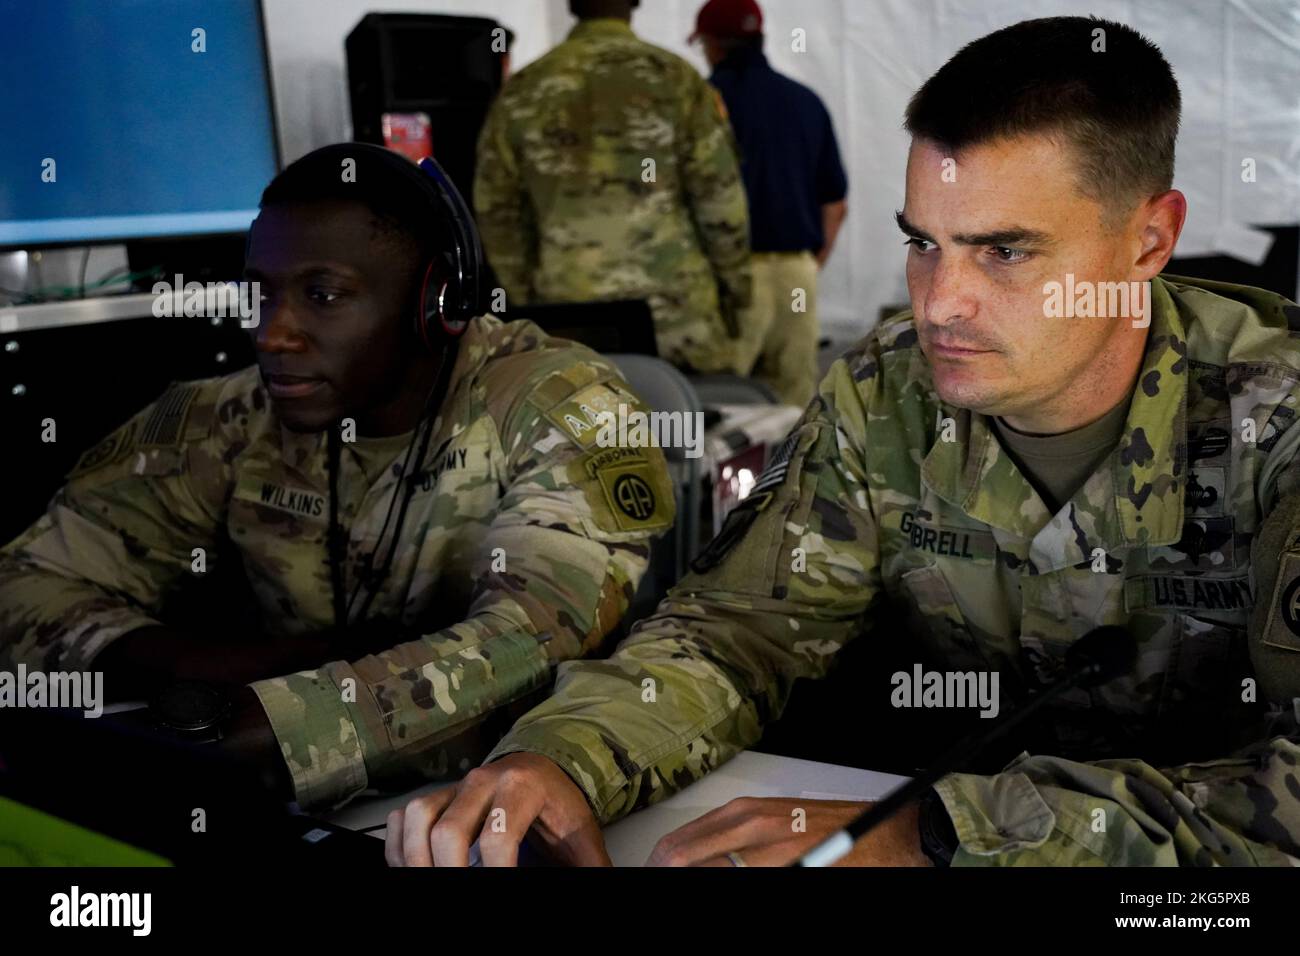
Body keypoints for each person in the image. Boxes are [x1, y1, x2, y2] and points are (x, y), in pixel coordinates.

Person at [386, 16, 1300, 867]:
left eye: (1005, 253)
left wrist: (941, 836)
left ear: (1149, 239)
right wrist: (564, 758)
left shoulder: (1278, 424)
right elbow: (739, 630)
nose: (939, 303)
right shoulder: (885, 391)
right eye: (923, 244)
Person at [0, 142, 674, 812]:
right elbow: (22, 581)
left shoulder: (560, 404)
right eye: (258, 294)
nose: (273, 333)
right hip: (294, 797)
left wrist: (291, 728)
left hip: (518, 798)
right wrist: (197, 665)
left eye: (323, 295)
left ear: (433, 305)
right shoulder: (226, 414)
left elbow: (537, 630)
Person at [474, 0, 752, 376]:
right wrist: (737, 294)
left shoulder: (523, 90)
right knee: (685, 429)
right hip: (677, 322)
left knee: (578, 432)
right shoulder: (677, 79)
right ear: (635, 3)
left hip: (569, 324)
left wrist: (530, 303)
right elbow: (720, 201)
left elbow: (497, 215)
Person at [694, 0, 848, 406]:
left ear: (712, 45)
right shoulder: (806, 102)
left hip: (726, 280)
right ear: (760, 38)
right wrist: (810, 266)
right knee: (795, 409)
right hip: (795, 273)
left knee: (721, 402)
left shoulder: (699, 107)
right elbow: (835, 203)